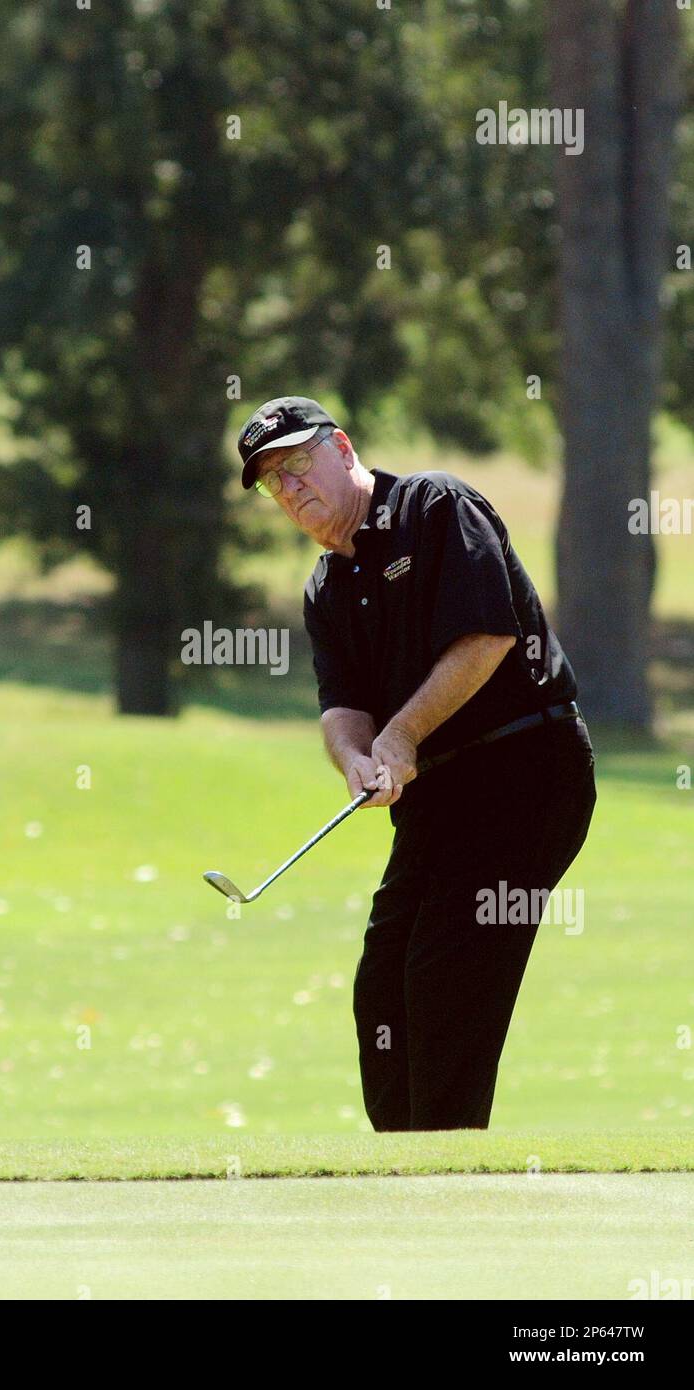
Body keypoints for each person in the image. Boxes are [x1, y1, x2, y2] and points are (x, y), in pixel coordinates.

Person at [237, 396, 597, 1131]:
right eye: (274, 480)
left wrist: (398, 740)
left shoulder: (432, 507)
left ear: (341, 447)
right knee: (382, 989)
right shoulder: (325, 586)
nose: (291, 487)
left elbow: (485, 638)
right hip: (439, 798)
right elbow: (341, 709)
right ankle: (403, 1175)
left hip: (525, 772)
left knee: (445, 979)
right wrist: (355, 760)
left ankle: (446, 1180)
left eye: (299, 462)